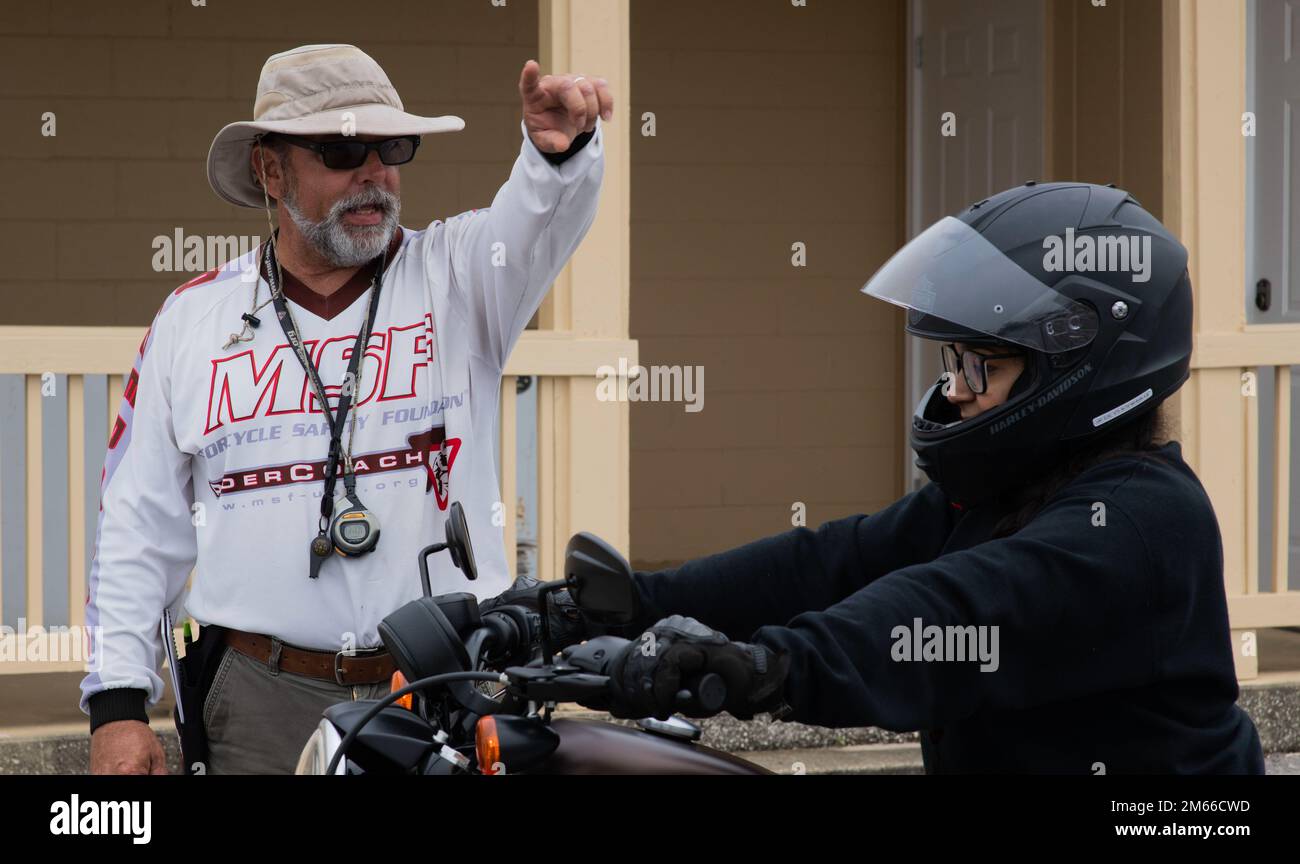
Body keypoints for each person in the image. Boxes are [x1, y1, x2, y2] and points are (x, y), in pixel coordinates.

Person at [499, 182, 1266, 773]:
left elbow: (953, 613)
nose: (956, 388)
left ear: (1084, 368)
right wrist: (613, 609)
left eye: (984, 365)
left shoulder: (1139, 522)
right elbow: (837, 560)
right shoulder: (1021, 487)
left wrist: (766, 668)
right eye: (952, 360)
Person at [83, 43, 612, 774]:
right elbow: (137, 527)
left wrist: (561, 153)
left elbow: (536, 221)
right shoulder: (191, 320)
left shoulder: (459, 275)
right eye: (341, 149)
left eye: (391, 146)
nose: (373, 172)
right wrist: (116, 704)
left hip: (442, 685)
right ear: (271, 170)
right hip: (259, 701)